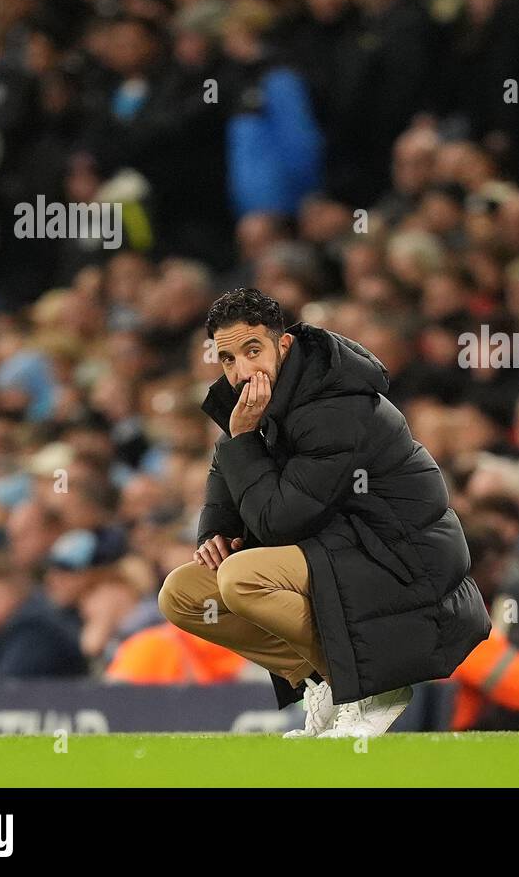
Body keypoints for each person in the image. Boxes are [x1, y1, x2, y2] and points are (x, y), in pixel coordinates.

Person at [158, 288, 489, 738]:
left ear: (284, 345)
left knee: (242, 579)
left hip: (398, 559)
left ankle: (374, 688)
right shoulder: (256, 407)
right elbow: (224, 485)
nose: (241, 371)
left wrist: (242, 439)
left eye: (252, 350)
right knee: (182, 593)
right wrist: (213, 534)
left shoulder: (335, 403)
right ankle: (322, 680)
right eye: (228, 359)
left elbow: (280, 520)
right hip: (338, 553)